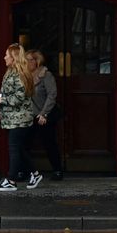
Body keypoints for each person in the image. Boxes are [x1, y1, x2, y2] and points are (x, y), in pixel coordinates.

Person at [0, 44, 39, 192]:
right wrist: (1, 110)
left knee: (14, 148)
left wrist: (2, 101)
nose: (4, 57)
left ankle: (11, 180)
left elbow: (19, 97)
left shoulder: (19, 75)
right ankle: (35, 174)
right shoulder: (10, 72)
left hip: (20, 118)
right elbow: (5, 93)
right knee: (19, 148)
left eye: (7, 55)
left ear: (14, 58)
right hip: (11, 117)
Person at [30, 49, 65, 182]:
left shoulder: (46, 75)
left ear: (36, 61)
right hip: (30, 115)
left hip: (46, 115)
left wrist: (43, 114)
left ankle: (57, 170)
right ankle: (24, 171)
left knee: (49, 142)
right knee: (25, 143)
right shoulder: (24, 75)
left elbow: (52, 95)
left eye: (29, 60)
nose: (26, 63)